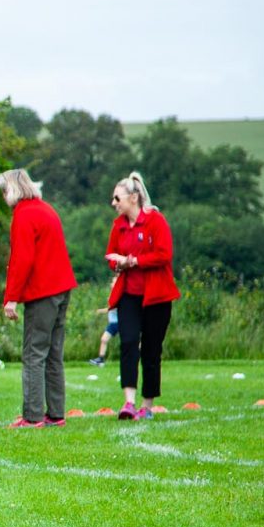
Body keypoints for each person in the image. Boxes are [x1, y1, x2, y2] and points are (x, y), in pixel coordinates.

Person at [0, 167, 76, 427]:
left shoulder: (24, 215)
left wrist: (11, 298)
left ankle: (32, 416)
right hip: (62, 288)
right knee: (53, 353)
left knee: (34, 353)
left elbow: (22, 259)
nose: (3, 195)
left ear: (13, 189)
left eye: (4, 190)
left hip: (43, 291)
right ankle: (56, 413)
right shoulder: (45, 209)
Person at [105, 171, 179, 420]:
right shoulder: (119, 226)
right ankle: (128, 402)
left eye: (117, 198)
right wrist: (117, 263)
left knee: (151, 349)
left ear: (133, 198)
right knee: (127, 343)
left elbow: (163, 255)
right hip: (129, 295)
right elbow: (111, 255)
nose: (114, 203)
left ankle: (147, 405)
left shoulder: (155, 221)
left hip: (156, 296)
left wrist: (132, 261)